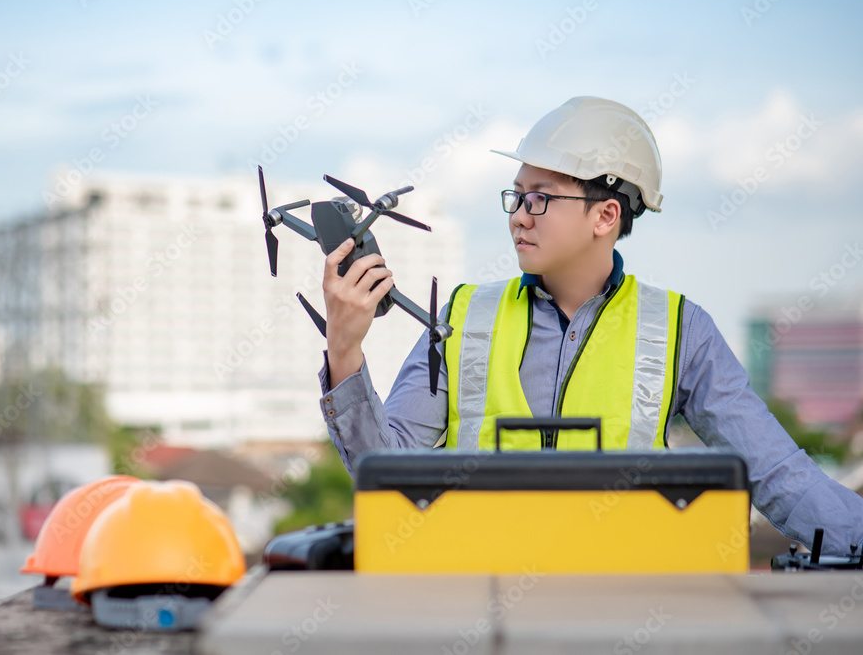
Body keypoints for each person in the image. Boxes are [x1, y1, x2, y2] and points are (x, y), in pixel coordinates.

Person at [316, 96, 863, 554]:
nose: (518, 215)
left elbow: (778, 475)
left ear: (606, 216)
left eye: (540, 199)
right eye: (516, 196)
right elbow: (388, 476)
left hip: (623, 606)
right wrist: (345, 351)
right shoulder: (460, 316)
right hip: (475, 600)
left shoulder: (680, 329)